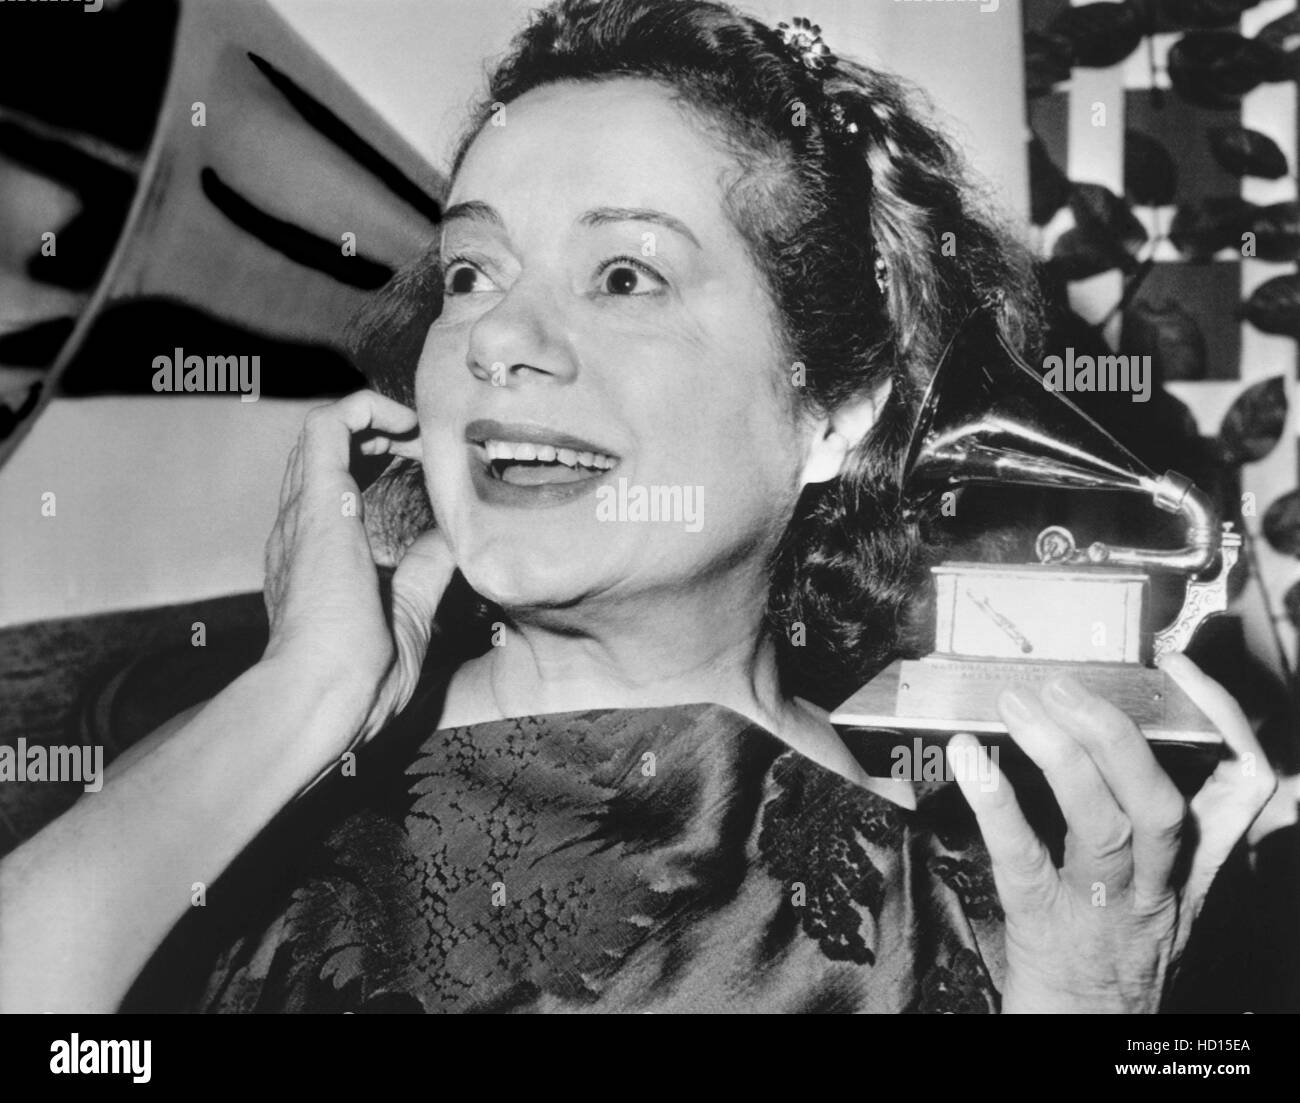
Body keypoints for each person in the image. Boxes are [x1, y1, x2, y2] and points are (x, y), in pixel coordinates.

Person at [0, 0, 1275, 1013]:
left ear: (835, 413)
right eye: (468, 269)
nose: (499, 336)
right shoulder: (235, 755)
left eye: (625, 273)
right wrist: (297, 692)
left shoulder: (1003, 906)